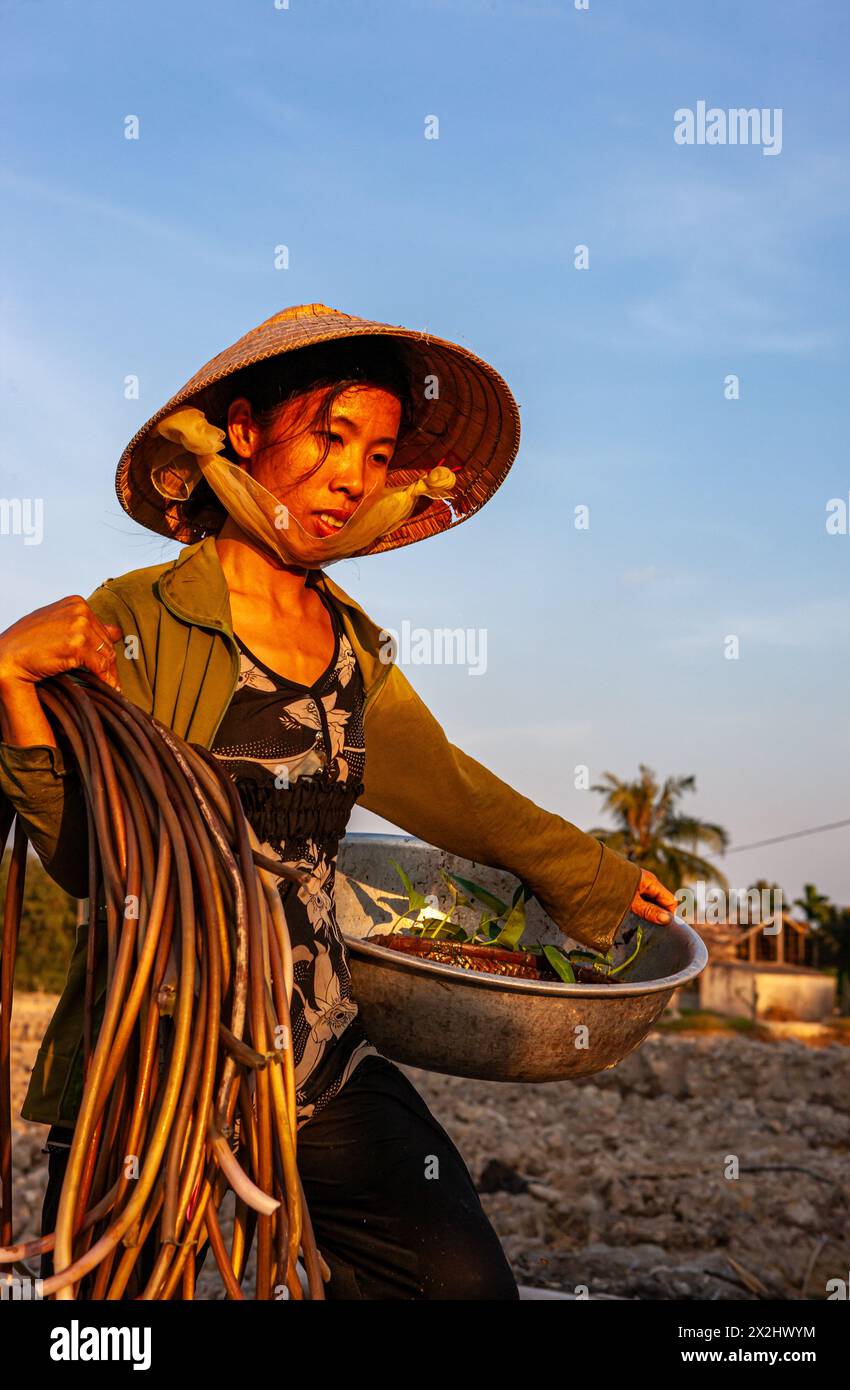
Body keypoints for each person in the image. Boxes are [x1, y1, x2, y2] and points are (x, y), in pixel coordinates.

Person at [0, 303, 677, 1299]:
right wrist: (12, 685)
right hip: (147, 1070)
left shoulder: (353, 650)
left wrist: (596, 876)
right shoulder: (136, 615)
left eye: (379, 449)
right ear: (242, 430)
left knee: (458, 1285)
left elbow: (453, 791)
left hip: (313, 1057)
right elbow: (84, 854)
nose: (355, 474)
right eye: (331, 434)